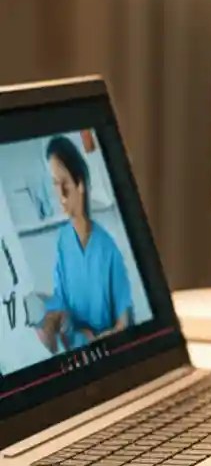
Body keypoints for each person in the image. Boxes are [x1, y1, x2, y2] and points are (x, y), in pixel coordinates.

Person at [36, 136, 133, 354]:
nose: (60, 195)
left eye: (65, 184)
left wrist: (100, 341)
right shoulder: (63, 241)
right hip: (74, 357)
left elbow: (124, 323)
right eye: (54, 184)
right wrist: (51, 315)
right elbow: (61, 301)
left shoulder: (107, 248)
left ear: (80, 185)